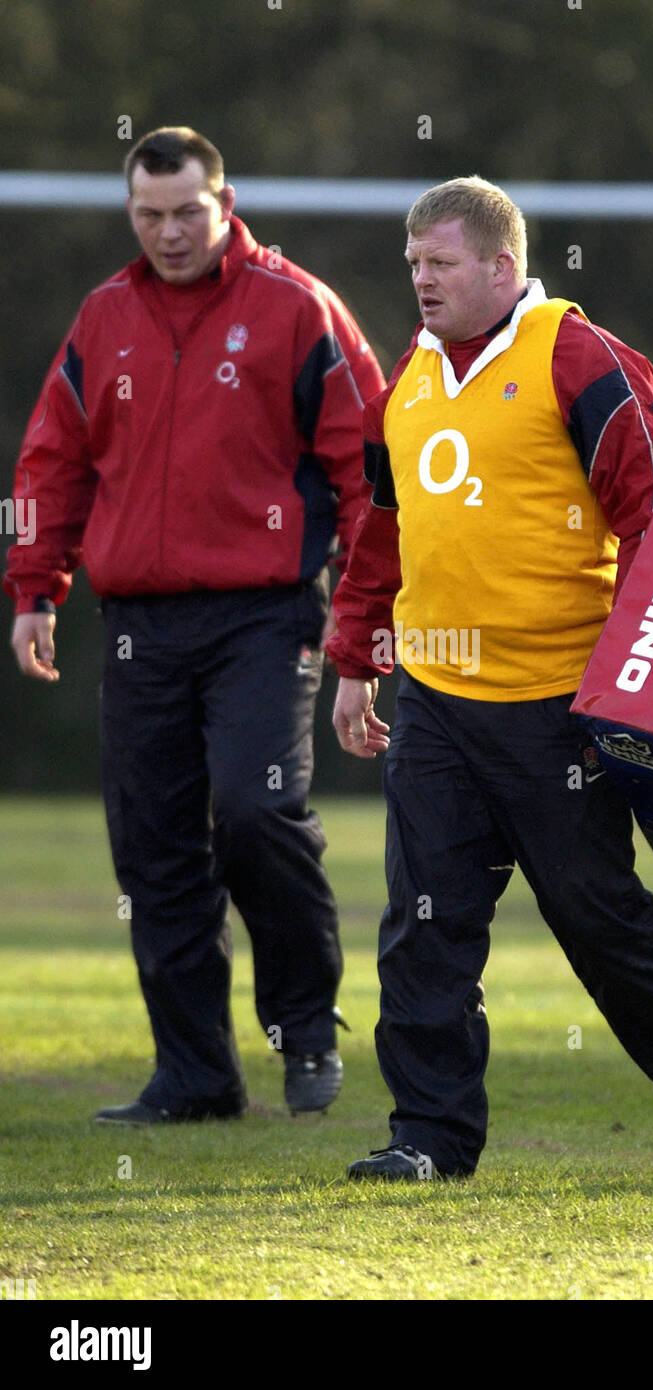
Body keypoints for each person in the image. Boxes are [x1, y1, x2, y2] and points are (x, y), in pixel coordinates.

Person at [327, 176, 653, 1180]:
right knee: (423, 925)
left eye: (442, 264)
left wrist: (644, 672)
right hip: (434, 702)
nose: (421, 281)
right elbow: (380, 535)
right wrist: (352, 657)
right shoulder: (406, 387)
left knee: (595, 915)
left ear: (502, 267)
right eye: (413, 264)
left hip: (559, 709)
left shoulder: (578, 356)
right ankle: (427, 1139)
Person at [5, 126, 385, 1125]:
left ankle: (304, 1029)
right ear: (130, 211)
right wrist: (34, 587)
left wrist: (363, 622)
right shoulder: (103, 317)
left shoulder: (298, 310)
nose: (168, 233)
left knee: (256, 813)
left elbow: (368, 475)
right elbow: (52, 460)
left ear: (225, 202)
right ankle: (196, 1074)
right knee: (154, 846)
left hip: (264, 615)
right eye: (148, 214)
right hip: (137, 625)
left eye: (185, 212)